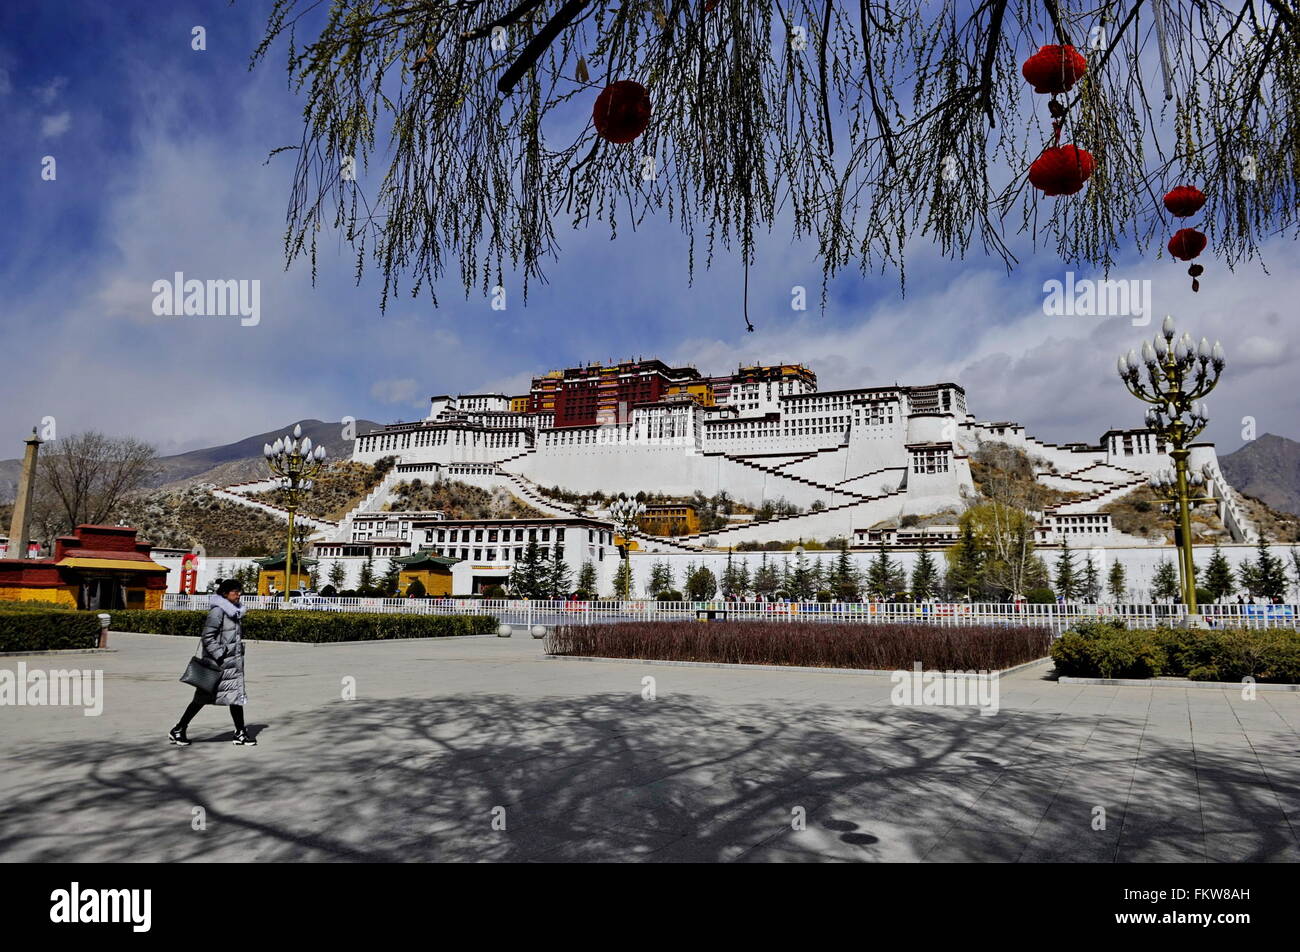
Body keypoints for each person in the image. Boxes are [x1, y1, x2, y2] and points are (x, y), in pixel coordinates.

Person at [168, 579, 256, 746]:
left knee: (235, 697)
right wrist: (221, 654)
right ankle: (178, 729)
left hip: (232, 663)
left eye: (240, 591)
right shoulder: (218, 612)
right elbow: (207, 637)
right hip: (218, 665)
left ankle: (240, 733)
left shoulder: (235, 612)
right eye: (235, 591)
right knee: (201, 698)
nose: (239, 594)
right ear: (224, 593)